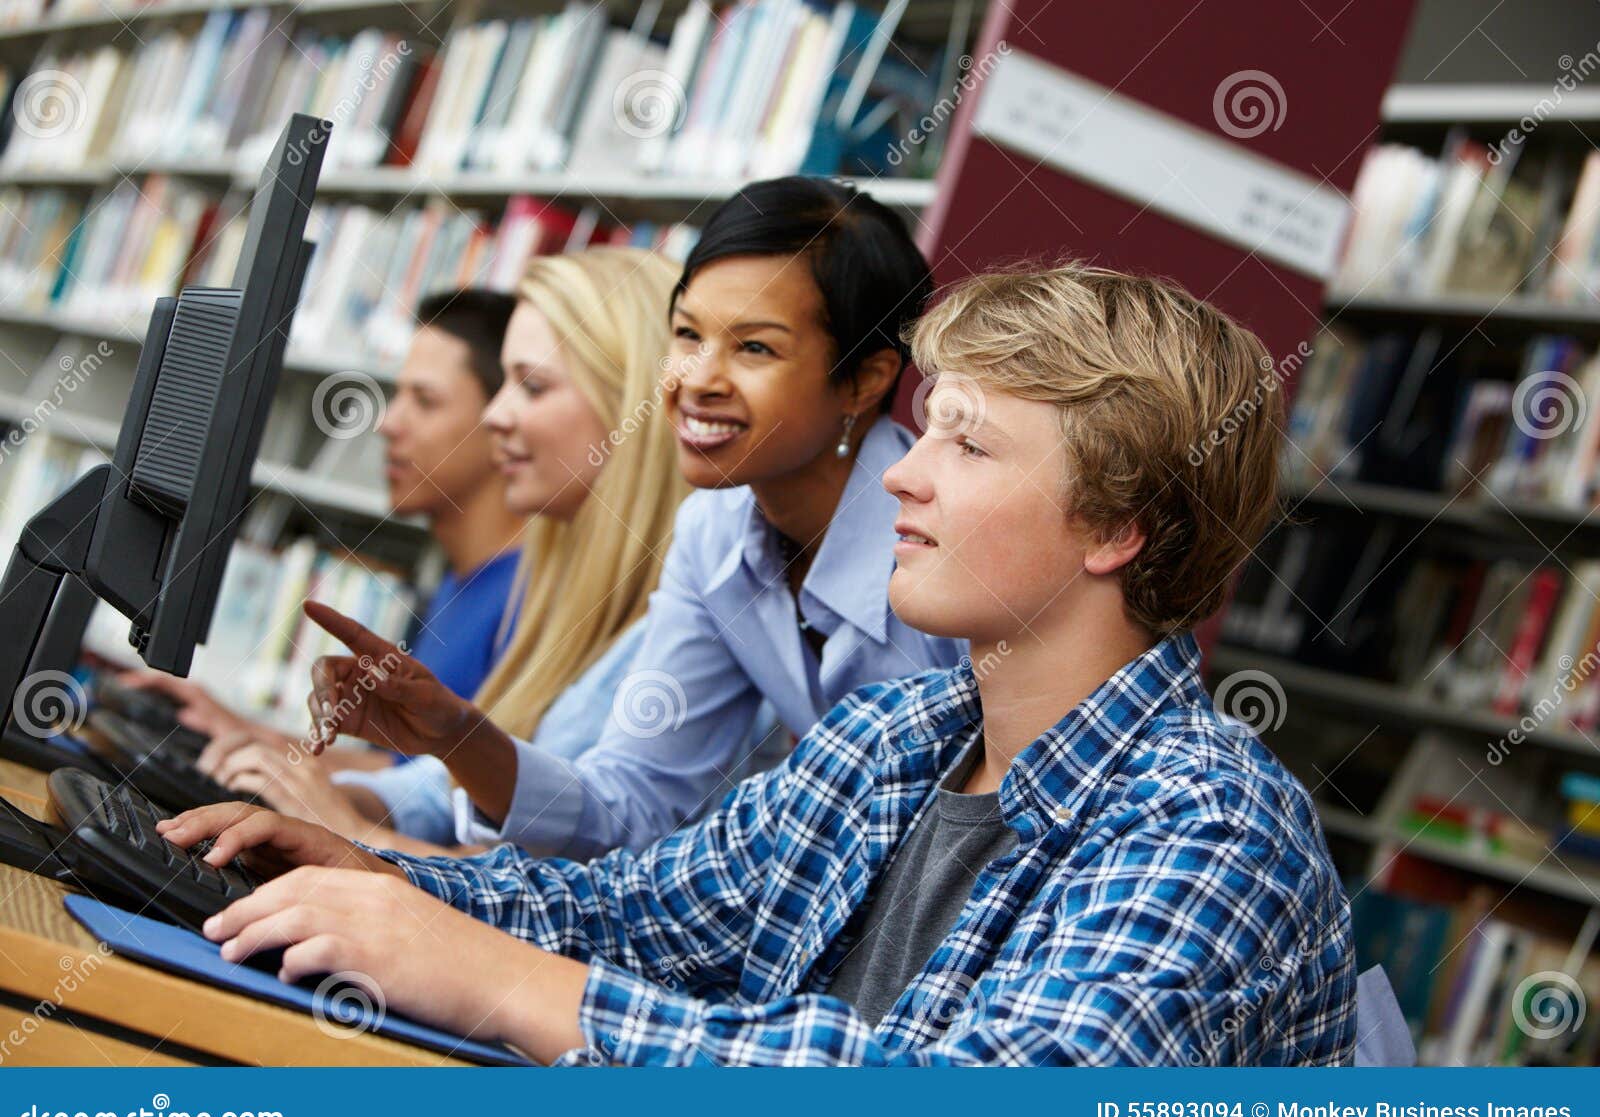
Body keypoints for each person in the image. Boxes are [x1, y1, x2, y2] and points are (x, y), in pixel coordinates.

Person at [160, 261, 1357, 1066]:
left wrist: (516, 987)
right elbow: (644, 911)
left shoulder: (1210, 825)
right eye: (926, 426)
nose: (900, 472)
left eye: (970, 445)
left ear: (1117, 526)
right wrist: (383, 880)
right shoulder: (899, 735)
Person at [262, 176, 963, 859]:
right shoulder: (715, 532)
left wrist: (371, 843)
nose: (697, 379)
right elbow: (634, 800)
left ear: (866, 378)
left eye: (755, 347)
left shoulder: (945, 544)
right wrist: (459, 735)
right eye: (688, 334)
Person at [205, 249, 699, 853]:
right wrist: (309, 794)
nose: (497, 416)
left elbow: (561, 890)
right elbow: (455, 795)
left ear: (633, 410)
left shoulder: (670, 637)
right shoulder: (560, 595)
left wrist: (347, 829)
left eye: (534, 385)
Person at [122, 290, 527, 771]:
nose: (388, 424)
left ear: (503, 419)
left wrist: (261, 748)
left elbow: (457, 802)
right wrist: (247, 733)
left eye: (425, 401)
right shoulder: (461, 582)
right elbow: (412, 775)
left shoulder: (526, 602)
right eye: (397, 396)